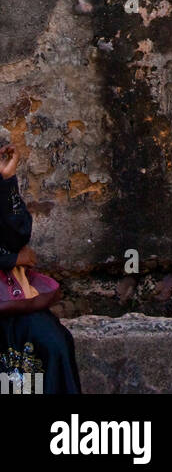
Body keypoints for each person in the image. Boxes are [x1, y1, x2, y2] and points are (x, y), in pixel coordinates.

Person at [0, 137, 81, 394]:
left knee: (52, 343)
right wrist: (11, 259)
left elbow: (19, 234)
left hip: (10, 300)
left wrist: (7, 181)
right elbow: (14, 251)